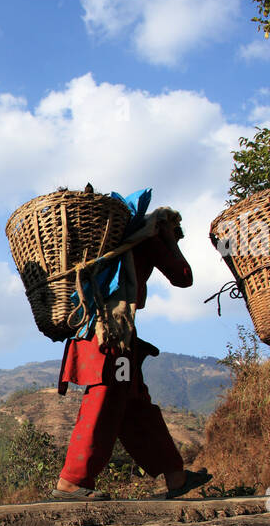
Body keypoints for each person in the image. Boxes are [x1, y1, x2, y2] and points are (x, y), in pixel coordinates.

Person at [52, 214, 211, 500]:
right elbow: (182, 277)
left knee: (134, 400)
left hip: (94, 331)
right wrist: (170, 242)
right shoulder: (149, 236)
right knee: (105, 398)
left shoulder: (116, 239)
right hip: (111, 334)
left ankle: (175, 475)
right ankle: (72, 481)